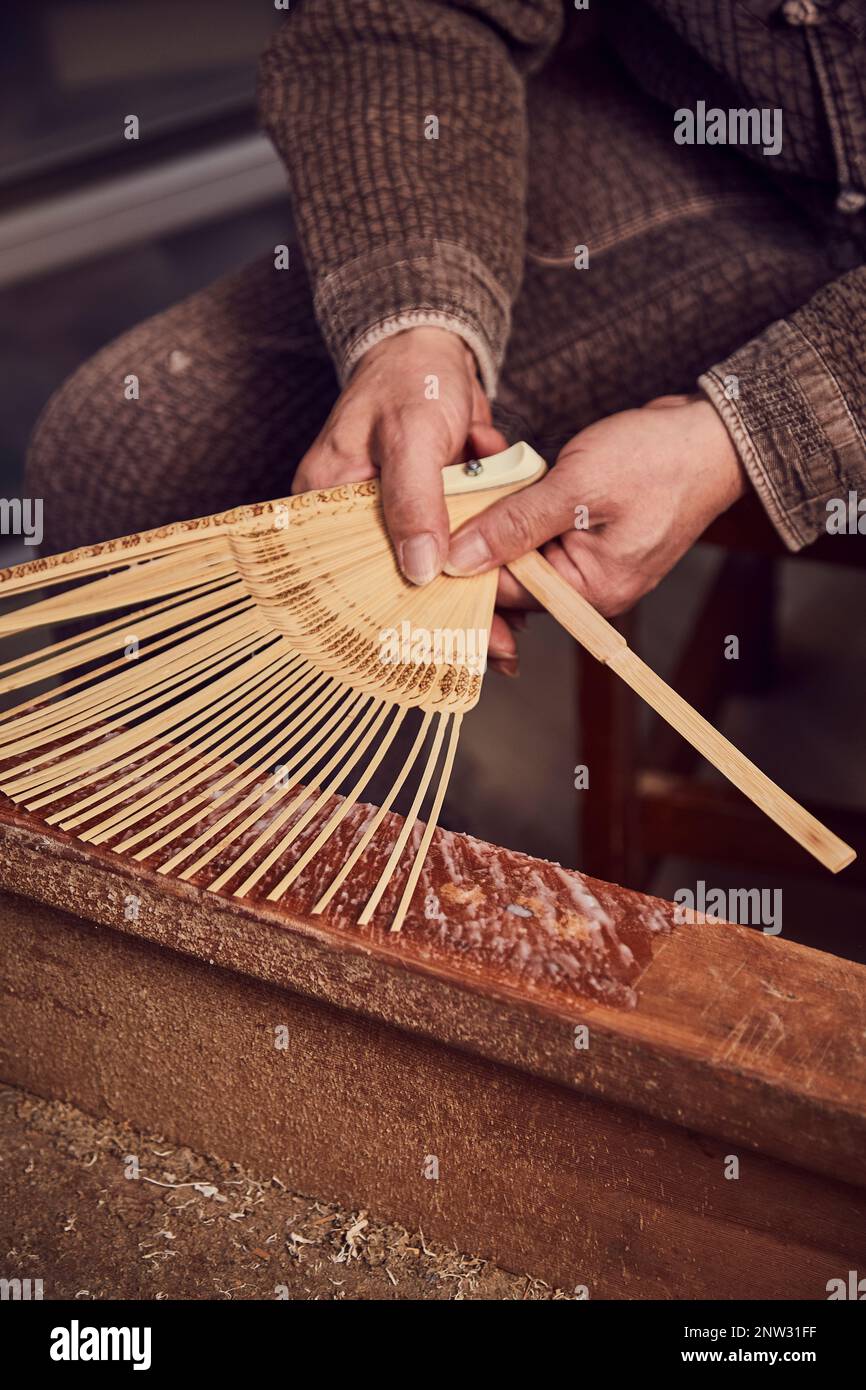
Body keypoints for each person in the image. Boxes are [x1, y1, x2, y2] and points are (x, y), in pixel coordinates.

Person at [27, 0, 866, 676]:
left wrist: (753, 429)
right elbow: (416, 13)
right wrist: (412, 330)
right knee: (137, 451)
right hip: (694, 139)